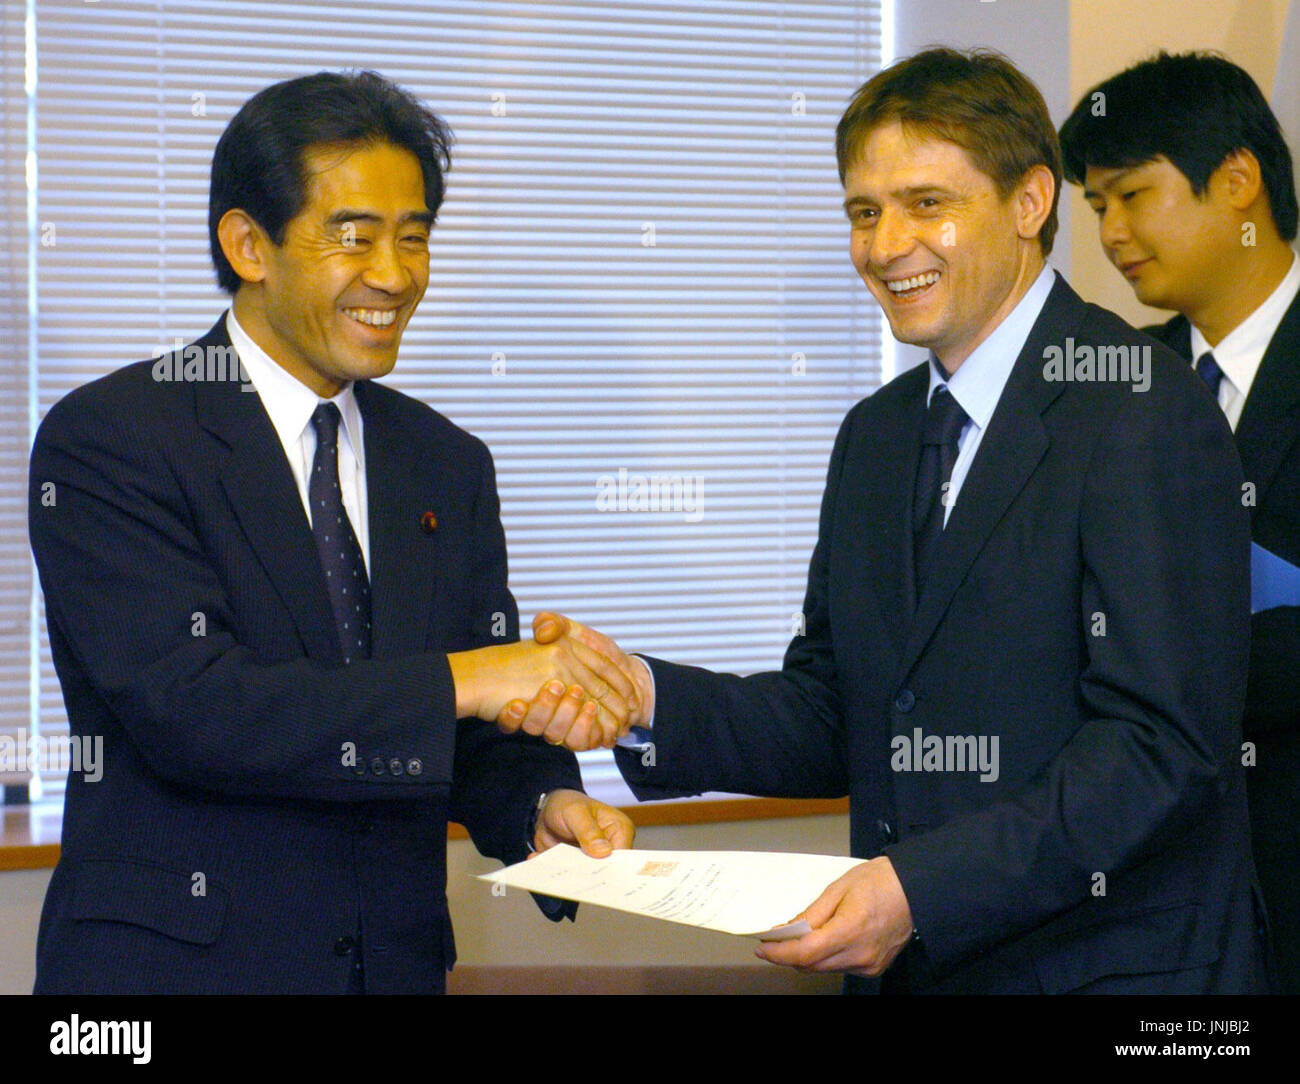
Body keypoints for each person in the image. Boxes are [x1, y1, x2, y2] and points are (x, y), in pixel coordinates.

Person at [509, 48, 1268, 994]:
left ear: (1031, 204)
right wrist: (645, 695)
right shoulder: (874, 436)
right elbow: (838, 708)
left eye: (926, 204)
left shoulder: (1141, 406)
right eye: (863, 212)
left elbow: (1163, 748)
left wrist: (916, 892)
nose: (886, 243)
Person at [27, 70, 638, 994]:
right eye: (354, 237)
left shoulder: (446, 463)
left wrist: (540, 804)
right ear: (248, 244)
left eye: (414, 237)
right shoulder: (111, 438)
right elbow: (199, 712)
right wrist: (479, 676)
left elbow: (469, 725)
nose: (394, 275)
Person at [1060, 51, 1300, 994]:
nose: (1112, 232)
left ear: (1237, 180)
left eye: (1132, 195)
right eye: (1095, 206)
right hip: (1145, 903)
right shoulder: (1105, 383)